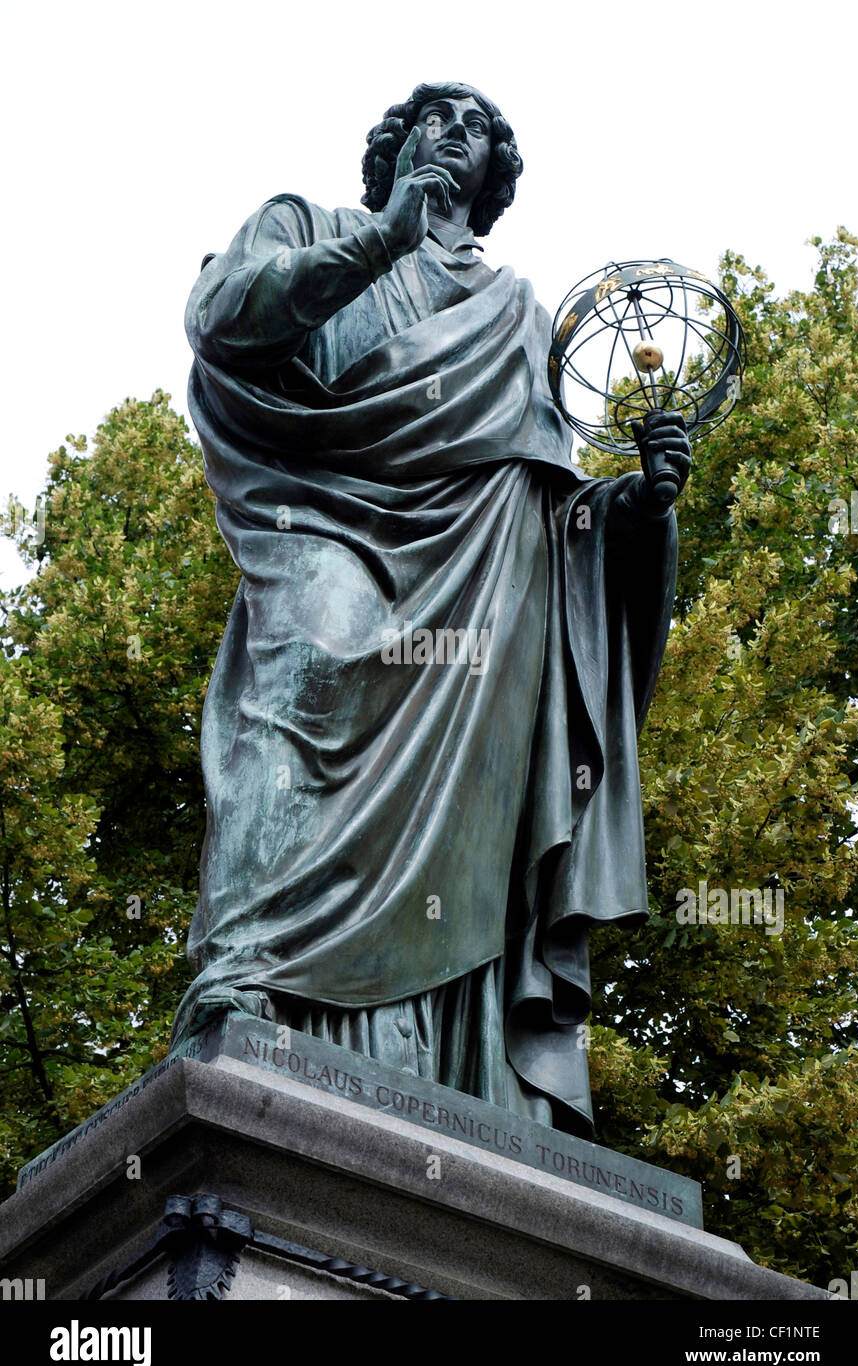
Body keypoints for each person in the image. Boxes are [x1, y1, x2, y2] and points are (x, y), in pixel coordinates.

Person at [169, 81, 690, 1138]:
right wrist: (378, 243)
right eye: (435, 117)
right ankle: (250, 979)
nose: (456, 134)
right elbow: (223, 319)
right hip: (331, 525)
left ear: (496, 176)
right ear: (395, 145)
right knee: (302, 686)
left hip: (490, 585)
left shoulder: (520, 312)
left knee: (473, 845)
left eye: (480, 128)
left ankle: (461, 1074)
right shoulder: (307, 225)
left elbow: (551, 502)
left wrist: (639, 510)